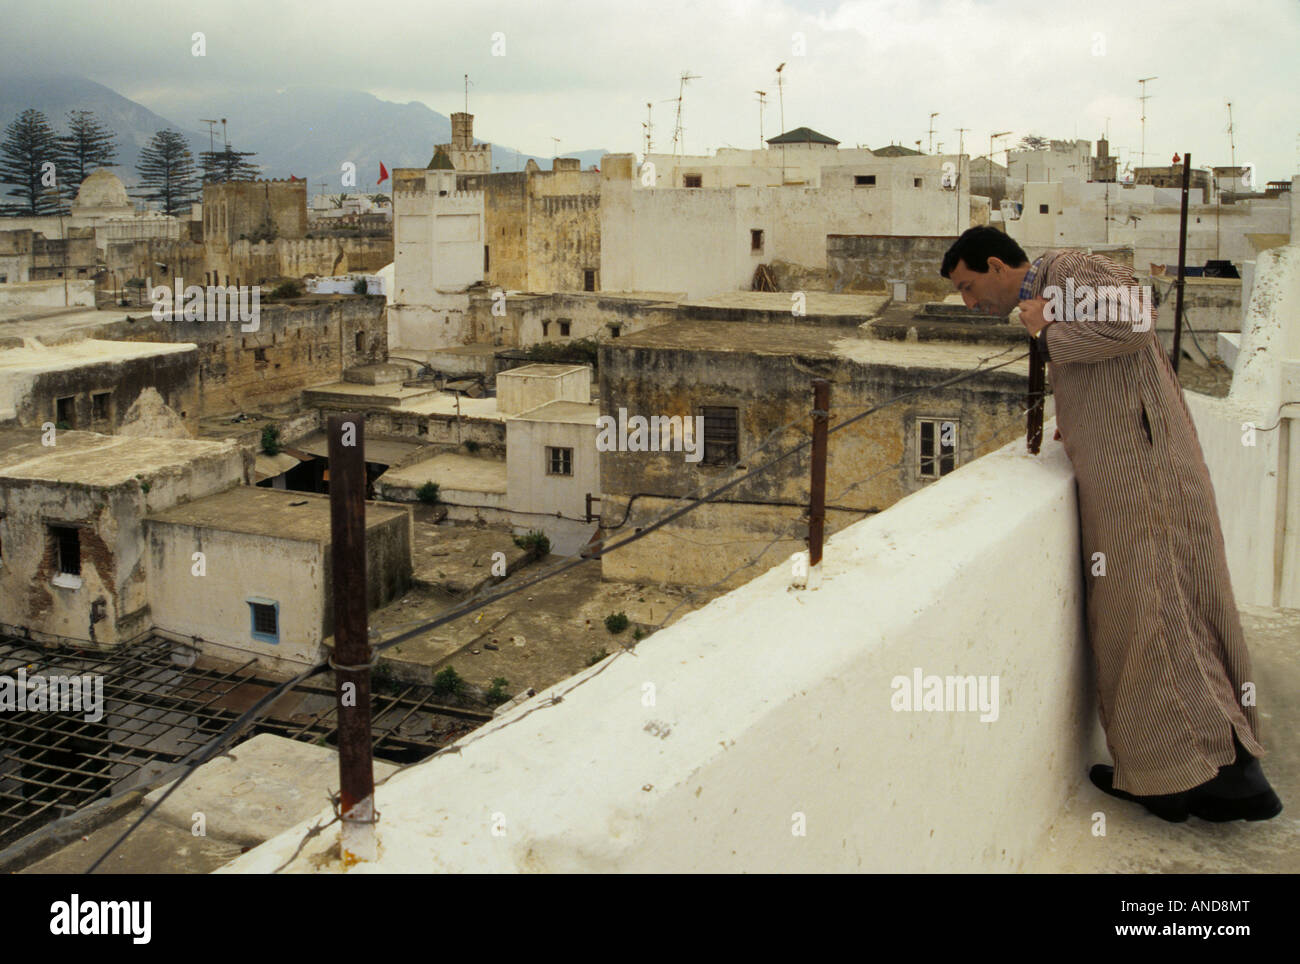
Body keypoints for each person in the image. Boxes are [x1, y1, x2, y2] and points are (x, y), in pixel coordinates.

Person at [940, 226, 1281, 823]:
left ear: (997, 264)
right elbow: (1110, 362)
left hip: (1141, 475)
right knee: (1155, 609)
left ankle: (1216, 776)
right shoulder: (1052, 288)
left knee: (1156, 610)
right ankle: (1181, 772)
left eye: (969, 287)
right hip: (1132, 471)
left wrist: (1046, 326)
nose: (971, 304)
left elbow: (1132, 320)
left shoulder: (1065, 269)